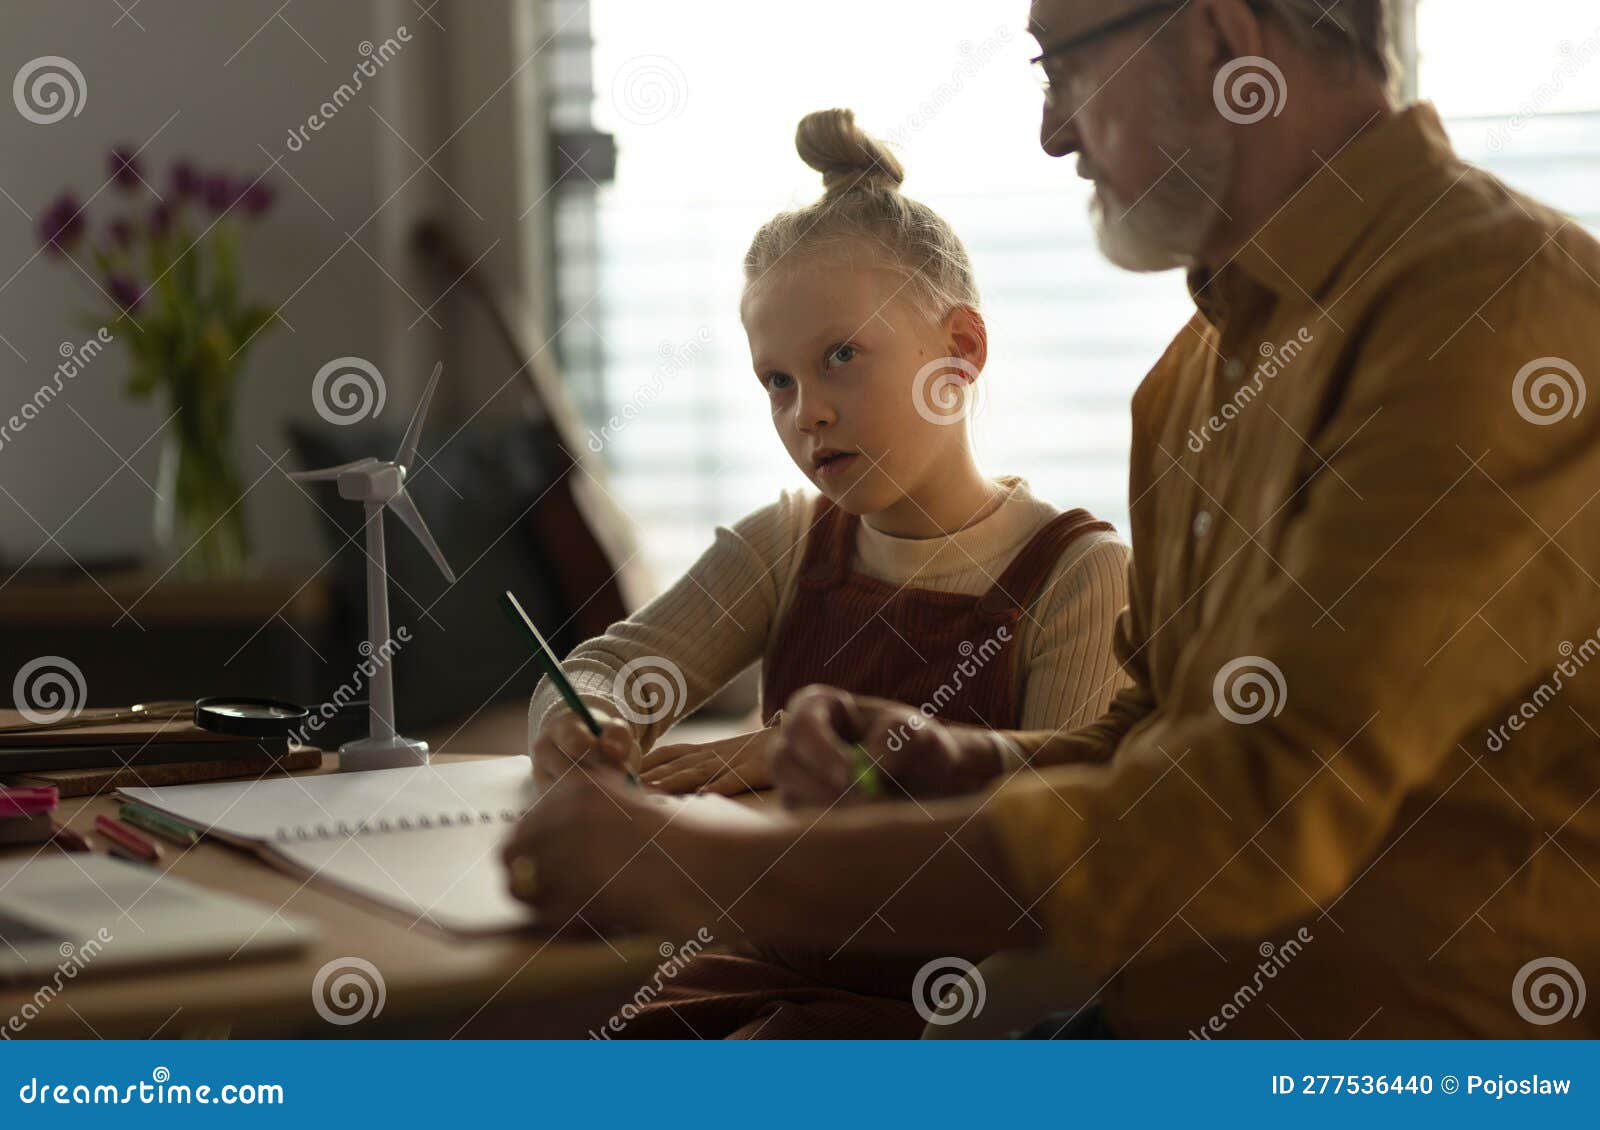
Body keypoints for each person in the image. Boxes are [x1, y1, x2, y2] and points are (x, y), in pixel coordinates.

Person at [505, 0, 1600, 1037]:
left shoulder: (1494, 314)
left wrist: (693, 865)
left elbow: (1260, 810)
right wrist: (956, 759)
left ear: (1222, 37)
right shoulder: (1194, 375)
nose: (1052, 133)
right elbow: (1154, 737)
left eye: (1062, 68)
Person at [525, 108, 1131, 1035]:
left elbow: (1056, 861)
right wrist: (588, 722)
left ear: (961, 351)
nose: (806, 412)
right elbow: (604, 669)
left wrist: (800, 756)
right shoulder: (788, 540)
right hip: (753, 965)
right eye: (777, 381)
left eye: (841, 357)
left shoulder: (1080, 576)